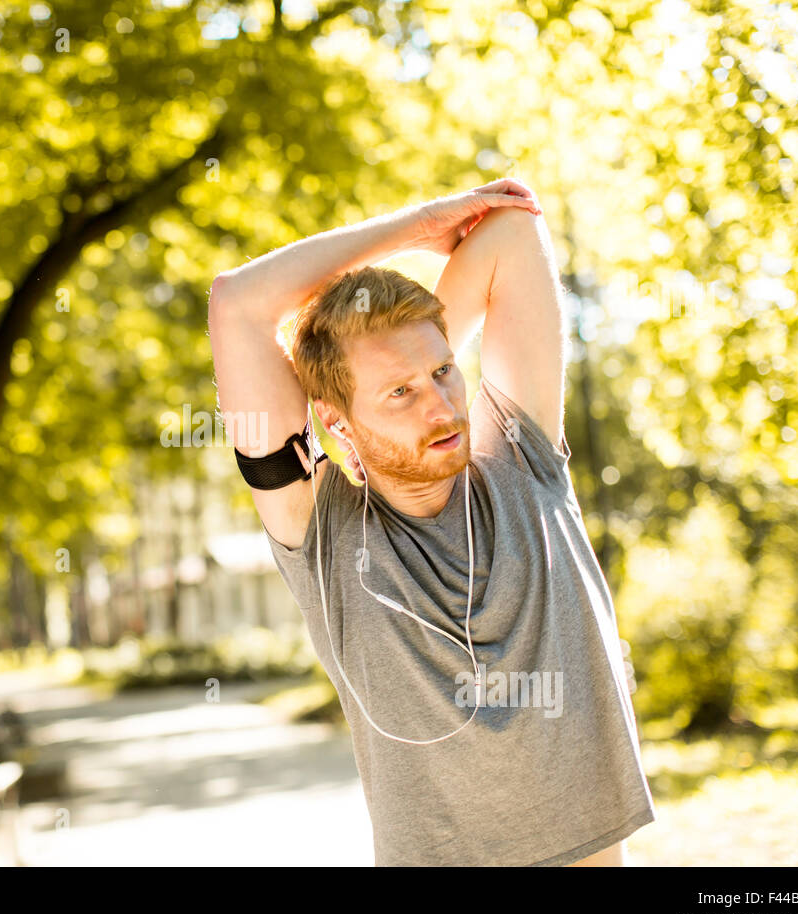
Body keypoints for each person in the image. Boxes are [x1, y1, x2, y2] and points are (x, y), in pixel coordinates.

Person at [207, 179, 655, 866]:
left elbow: (510, 225)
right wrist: (419, 224)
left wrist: (402, 339)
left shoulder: (521, 459)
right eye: (400, 393)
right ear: (333, 419)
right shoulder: (322, 532)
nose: (442, 408)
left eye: (445, 371)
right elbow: (237, 303)